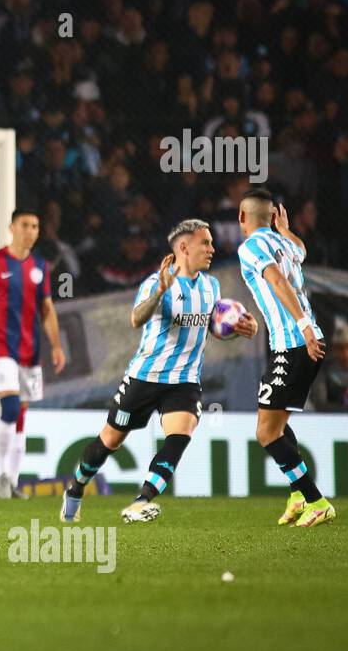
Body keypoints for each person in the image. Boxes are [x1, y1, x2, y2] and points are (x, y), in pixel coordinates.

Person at [60, 219, 256, 523]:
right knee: (111, 440)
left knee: (180, 435)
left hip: (185, 381)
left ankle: (142, 500)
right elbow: (136, 319)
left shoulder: (212, 286)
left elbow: (212, 325)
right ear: (183, 247)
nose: (212, 249)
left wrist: (245, 326)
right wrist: (160, 292)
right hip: (146, 377)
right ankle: (75, 488)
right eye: (205, 243)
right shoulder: (156, 283)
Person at [237, 188, 334, 527]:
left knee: (267, 433)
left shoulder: (249, 248)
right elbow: (302, 251)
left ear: (241, 218)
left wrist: (304, 327)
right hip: (293, 344)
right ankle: (297, 494)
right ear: (274, 218)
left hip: (296, 342)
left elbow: (277, 281)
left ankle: (316, 501)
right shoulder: (288, 245)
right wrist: (286, 230)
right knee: (275, 423)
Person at [0, 208, 66, 498]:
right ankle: (0, 476)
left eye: (35, 226)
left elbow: (47, 309)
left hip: (30, 351)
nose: (31, 231)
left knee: (21, 416)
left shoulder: (40, 266)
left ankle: (11, 480)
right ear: (12, 227)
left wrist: (57, 345)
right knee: (10, 408)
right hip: (0, 348)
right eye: (25, 225)